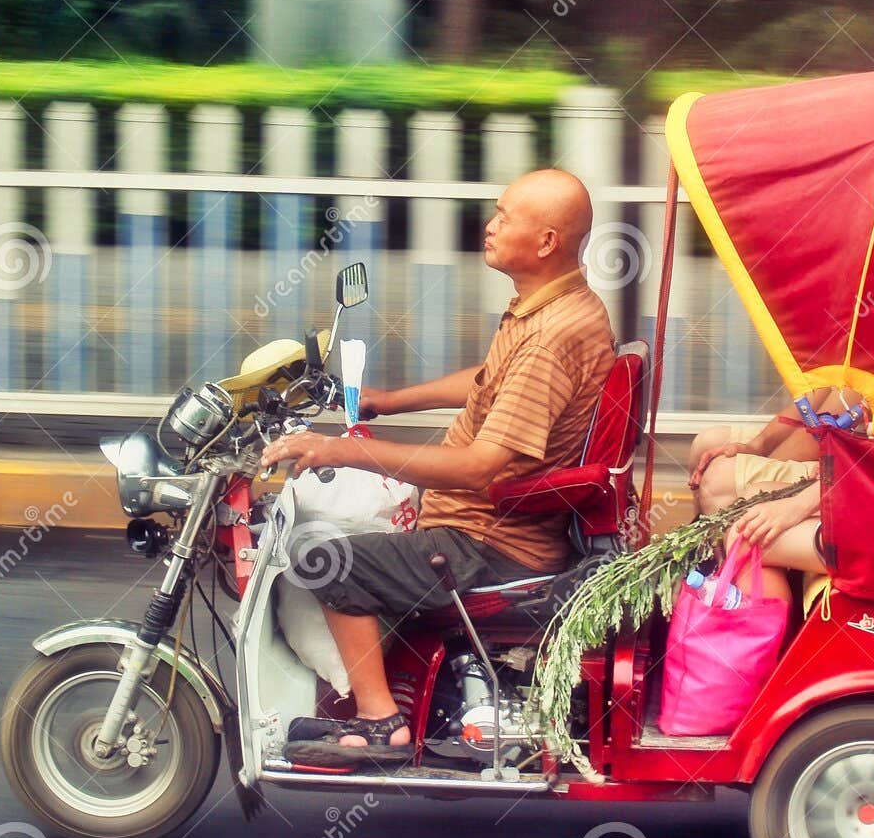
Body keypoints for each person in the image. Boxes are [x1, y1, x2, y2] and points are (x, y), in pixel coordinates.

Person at [260, 168, 616, 766]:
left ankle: (380, 721)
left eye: (506, 217)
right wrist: (385, 401)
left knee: (322, 557)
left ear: (549, 241)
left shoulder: (552, 337)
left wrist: (339, 449)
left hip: (487, 543)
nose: (491, 226)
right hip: (488, 526)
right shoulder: (548, 309)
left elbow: (481, 468)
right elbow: (486, 381)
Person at [686, 387, 864, 607]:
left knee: (744, 531)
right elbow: (832, 385)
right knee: (751, 499)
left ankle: (755, 627)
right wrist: (759, 446)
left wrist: (797, 505)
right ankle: (725, 591)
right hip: (862, 482)